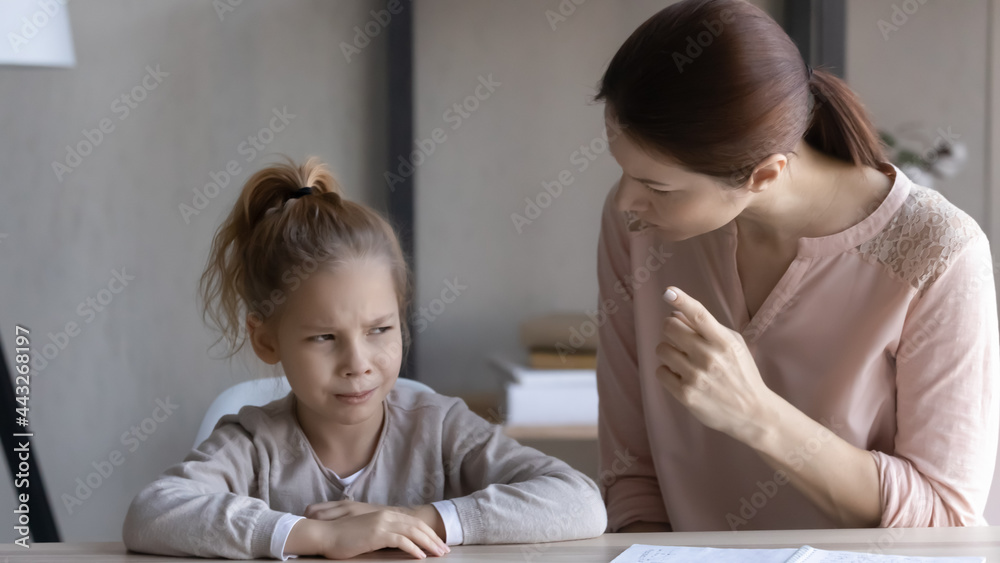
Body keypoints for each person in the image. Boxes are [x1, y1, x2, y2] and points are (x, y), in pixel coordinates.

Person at [595, 0, 999, 532]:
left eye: (656, 186)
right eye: (626, 172)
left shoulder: (939, 253)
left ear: (765, 174)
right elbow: (630, 475)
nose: (626, 202)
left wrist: (756, 413)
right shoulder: (640, 231)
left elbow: (945, 516)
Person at [122, 157, 606, 560]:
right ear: (266, 339)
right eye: (323, 338)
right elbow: (152, 514)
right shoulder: (253, 445)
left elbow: (581, 503)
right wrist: (319, 536)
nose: (358, 362)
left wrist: (418, 520)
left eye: (379, 330)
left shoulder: (440, 429)